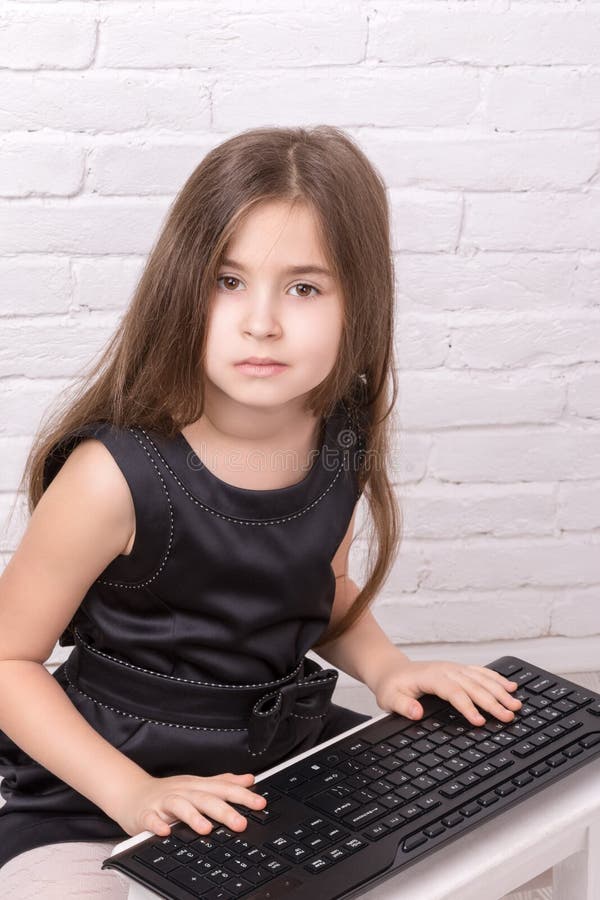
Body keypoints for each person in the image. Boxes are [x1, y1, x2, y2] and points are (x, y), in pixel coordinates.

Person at [0, 125, 521, 897]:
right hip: (97, 795)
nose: (262, 322)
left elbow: (321, 587)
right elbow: (8, 662)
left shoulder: (339, 438)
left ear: (359, 303)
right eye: (229, 281)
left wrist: (390, 669)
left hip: (276, 768)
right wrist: (132, 795)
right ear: (182, 286)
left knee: (466, 841)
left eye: (304, 287)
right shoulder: (111, 477)